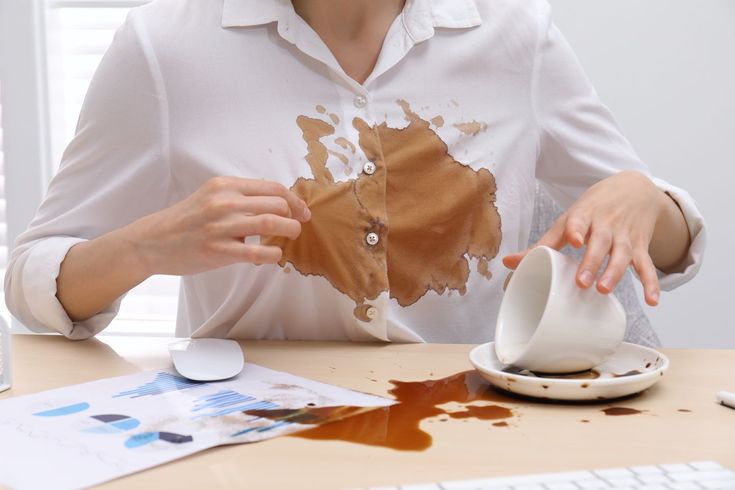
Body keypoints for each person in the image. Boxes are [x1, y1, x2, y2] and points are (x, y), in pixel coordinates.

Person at [5, 0, 705, 342]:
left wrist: (645, 198)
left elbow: (666, 248)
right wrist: (145, 248)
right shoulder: (164, 46)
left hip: (467, 425)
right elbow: (31, 275)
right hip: (251, 435)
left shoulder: (514, 34)